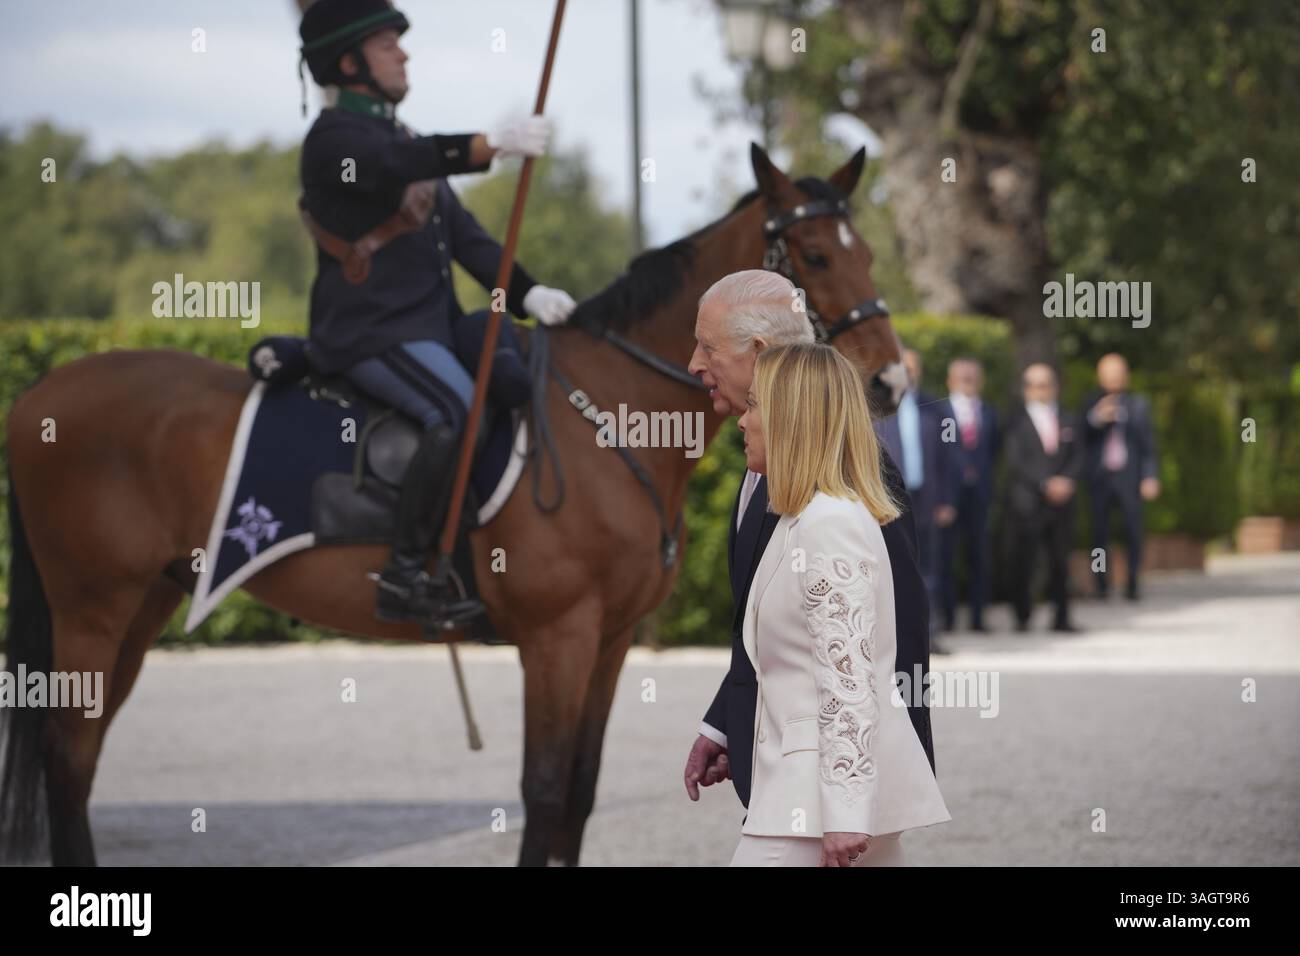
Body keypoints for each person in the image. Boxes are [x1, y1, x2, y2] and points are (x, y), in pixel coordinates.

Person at [297, 0, 577, 624]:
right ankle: (402, 576)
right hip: (369, 334)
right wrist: (488, 144)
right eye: (388, 44)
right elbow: (395, 168)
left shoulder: (405, 138)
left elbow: (469, 238)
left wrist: (531, 293)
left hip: (430, 332)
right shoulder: (336, 142)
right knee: (455, 411)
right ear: (350, 62)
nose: (404, 53)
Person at [682, 270, 937, 835]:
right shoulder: (764, 456)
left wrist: (874, 804)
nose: (694, 364)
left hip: (828, 802)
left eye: (707, 346)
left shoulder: (853, 471)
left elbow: (896, 642)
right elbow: (775, 627)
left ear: (759, 351)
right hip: (790, 777)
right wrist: (726, 724)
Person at [725, 343, 951, 865]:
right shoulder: (804, 517)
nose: (743, 420)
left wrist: (846, 813)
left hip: (814, 807)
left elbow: (848, 678)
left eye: (755, 405)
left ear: (791, 418)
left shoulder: (828, 524)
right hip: (817, 800)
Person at [876, 349, 955, 643]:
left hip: (926, 498)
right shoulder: (877, 407)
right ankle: (892, 637)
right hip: (888, 499)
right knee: (892, 566)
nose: (906, 373)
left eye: (911, 368)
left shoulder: (934, 407)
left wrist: (946, 500)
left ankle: (929, 633)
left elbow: (948, 459)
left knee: (928, 568)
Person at [1003, 364, 1082, 633]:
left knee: (1060, 561)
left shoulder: (1069, 418)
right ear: (1026, 389)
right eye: (1035, 385)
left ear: (1055, 386)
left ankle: (1062, 617)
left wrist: (1066, 481)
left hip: (1062, 502)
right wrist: (1044, 483)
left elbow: (1078, 454)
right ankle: (1022, 616)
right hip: (1028, 501)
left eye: (1046, 384)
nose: (1041, 390)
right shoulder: (1015, 420)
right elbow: (1016, 460)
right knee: (1024, 560)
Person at [1080, 353, 1160, 600]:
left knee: (1133, 532)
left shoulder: (1138, 404)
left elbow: (1148, 445)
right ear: (1100, 376)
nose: (1114, 378)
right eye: (1109, 373)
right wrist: (1096, 418)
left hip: (1129, 476)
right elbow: (1079, 435)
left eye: (1118, 373)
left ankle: (1133, 582)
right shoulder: (1090, 402)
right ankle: (1101, 584)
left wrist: (1150, 476)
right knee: (1099, 534)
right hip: (1100, 478)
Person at [939, 357, 999, 632]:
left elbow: (995, 452)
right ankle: (947, 618)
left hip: (980, 496)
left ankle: (978, 618)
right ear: (950, 381)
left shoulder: (989, 412)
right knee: (946, 558)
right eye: (963, 377)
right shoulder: (939, 411)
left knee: (979, 557)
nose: (968, 382)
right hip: (949, 497)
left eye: (973, 377)